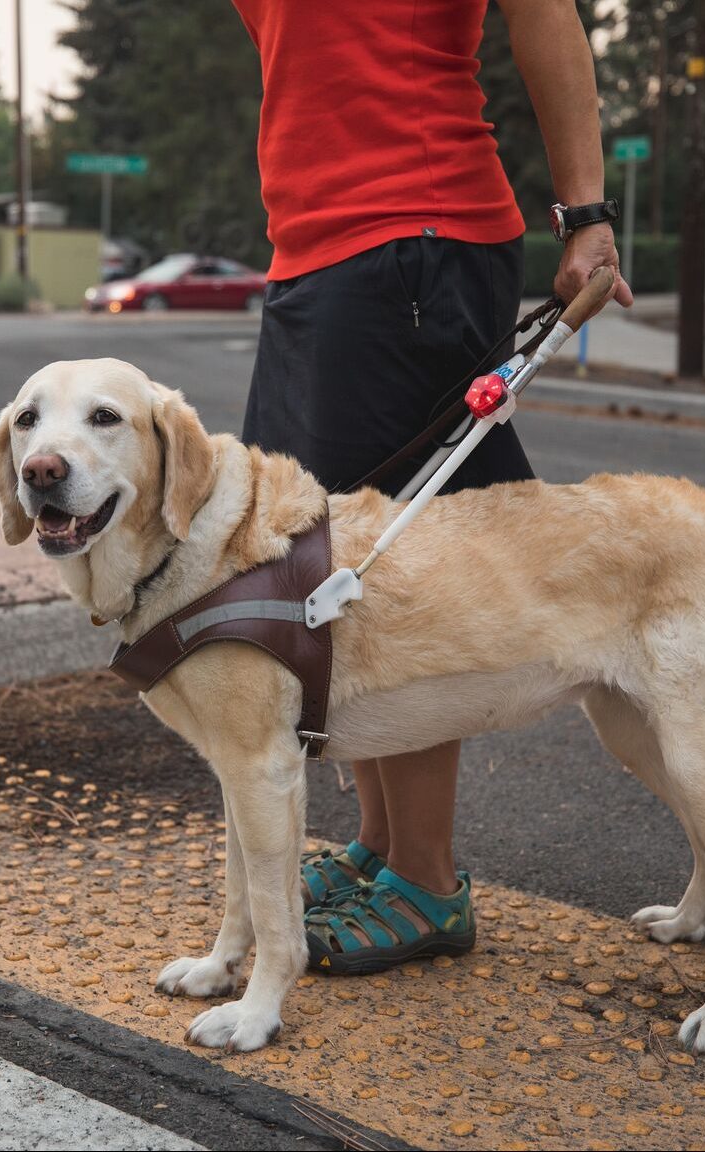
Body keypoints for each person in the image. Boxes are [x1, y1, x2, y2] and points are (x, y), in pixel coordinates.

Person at [232, 0, 633, 975]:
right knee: (331, 573)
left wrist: (586, 213)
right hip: (317, 252)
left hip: (411, 242)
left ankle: (428, 877)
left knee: (396, 577)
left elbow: (543, 11)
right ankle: (379, 844)